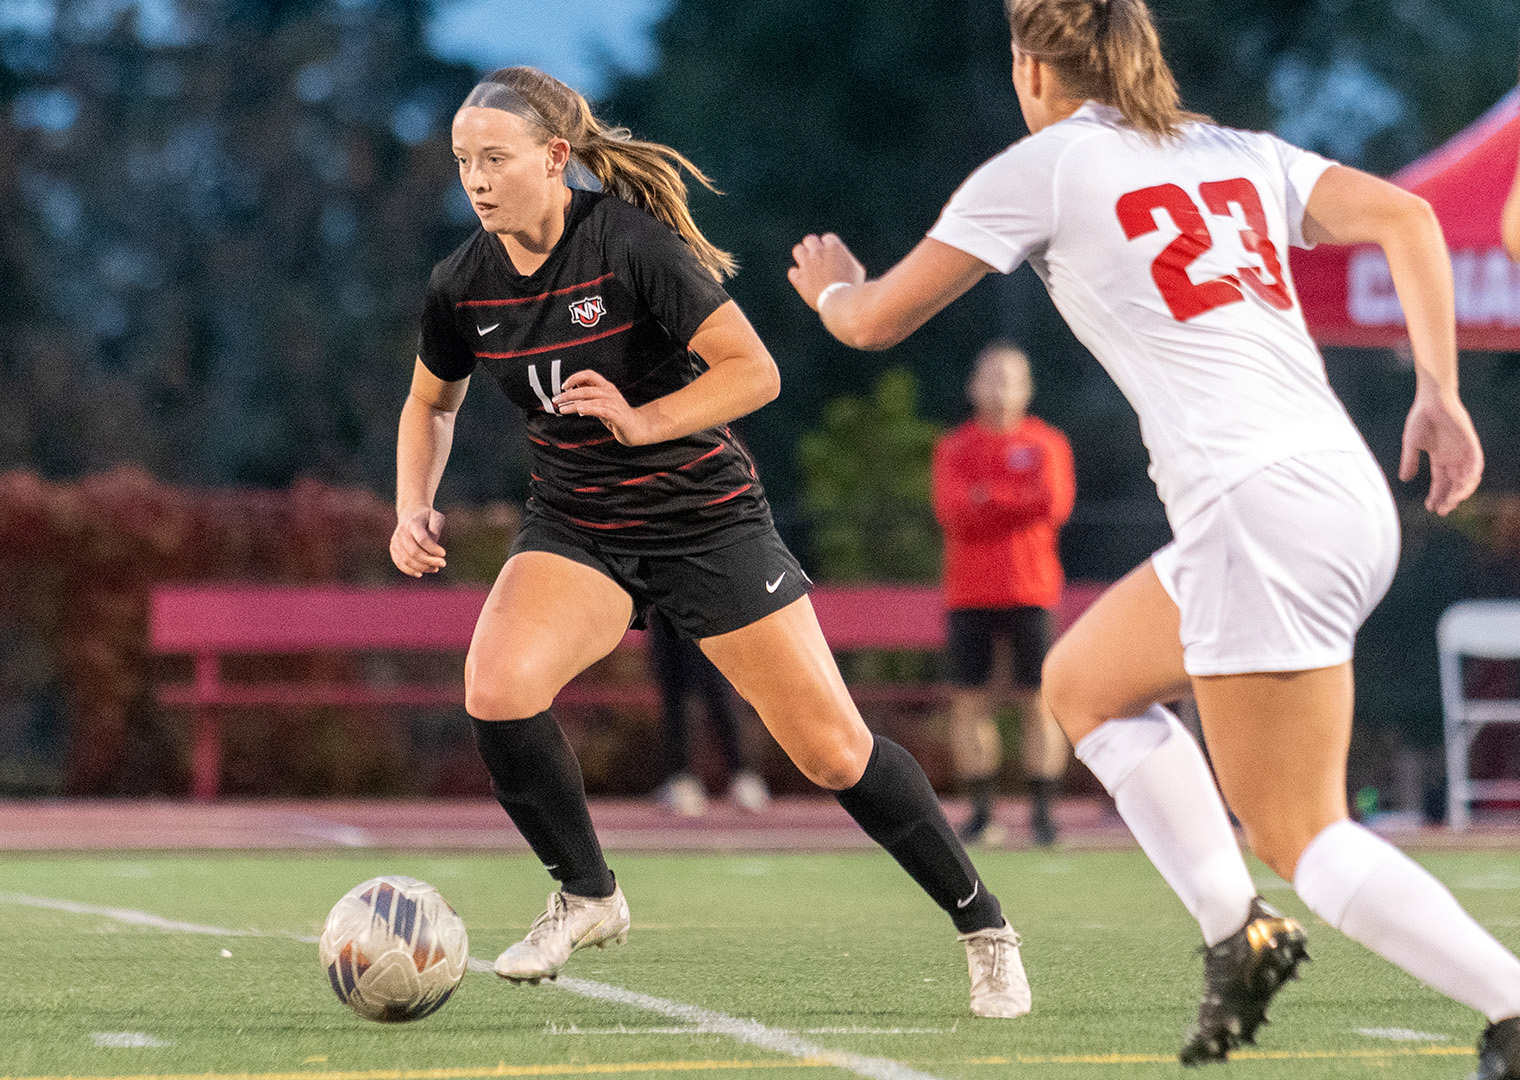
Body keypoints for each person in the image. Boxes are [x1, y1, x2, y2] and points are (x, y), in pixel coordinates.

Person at [786, 0, 1520, 1072]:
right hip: (1336, 493)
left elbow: (873, 321)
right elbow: (1408, 218)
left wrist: (832, 287)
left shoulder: (1042, 167)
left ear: (1034, 67)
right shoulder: (1236, 149)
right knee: (1082, 684)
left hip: (1256, 510)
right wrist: (1439, 394)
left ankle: (1508, 1003)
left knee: (1301, 831)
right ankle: (1239, 934)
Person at [393, 65, 1030, 1018]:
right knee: (497, 686)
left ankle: (986, 929)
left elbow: (755, 372)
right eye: (461, 162)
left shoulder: (629, 245)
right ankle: (589, 894)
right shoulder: (465, 282)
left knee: (831, 752)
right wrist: (412, 504)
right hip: (578, 526)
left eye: (495, 158)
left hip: (704, 521)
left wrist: (644, 422)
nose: (475, 180)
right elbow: (429, 403)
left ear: (556, 159)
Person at [933, 342, 1074, 846]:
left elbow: (1052, 504)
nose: (1000, 388)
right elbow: (952, 510)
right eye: (991, 377)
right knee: (969, 703)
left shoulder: (1048, 443)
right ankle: (981, 812)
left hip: (1031, 589)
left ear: (1028, 387)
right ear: (973, 385)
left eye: (1011, 378)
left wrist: (987, 497)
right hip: (969, 593)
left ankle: (1042, 814)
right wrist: (1014, 499)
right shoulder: (954, 447)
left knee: (1039, 701)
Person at [649, 622, 770, 816]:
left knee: (717, 693)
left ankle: (743, 777)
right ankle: (681, 779)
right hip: (665, 616)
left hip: (704, 616)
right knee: (675, 698)